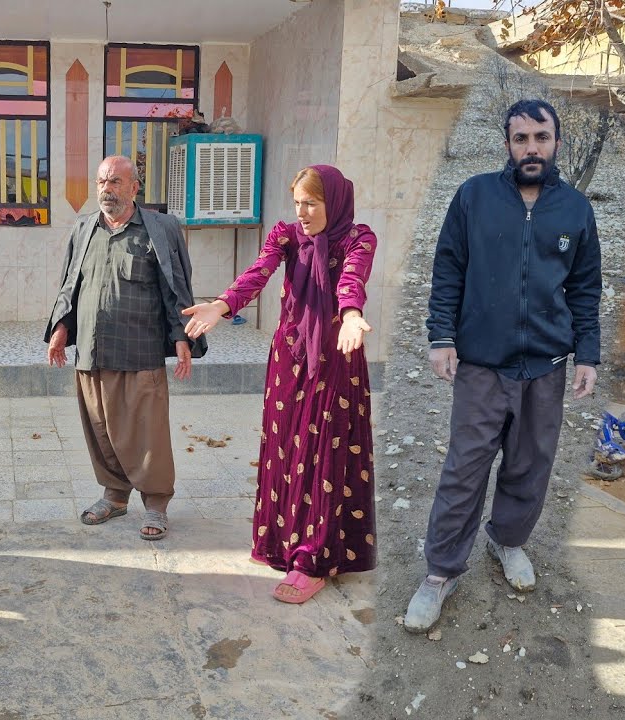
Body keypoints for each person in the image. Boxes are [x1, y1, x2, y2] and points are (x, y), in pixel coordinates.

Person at [405, 99, 601, 632]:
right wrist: (441, 336)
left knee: (530, 462)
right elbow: (448, 268)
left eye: (541, 137)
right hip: (482, 364)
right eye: (521, 139)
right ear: (507, 144)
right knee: (465, 467)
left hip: (546, 364)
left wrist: (587, 353)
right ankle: (440, 571)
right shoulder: (474, 196)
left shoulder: (575, 209)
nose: (531, 148)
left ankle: (508, 540)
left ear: (556, 141)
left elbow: (585, 288)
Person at [183, 165, 378, 604]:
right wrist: (222, 304)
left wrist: (350, 314)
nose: (302, 213)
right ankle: (281, 542)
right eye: (297, 203)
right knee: (285, 447)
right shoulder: (286, 236)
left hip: (336, 358)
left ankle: (313, 559)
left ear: (334, 202)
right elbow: (258, 272)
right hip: (289, 358)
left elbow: (352, 278)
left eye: (312, 203)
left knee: (324, 453)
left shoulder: (357, 238)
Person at [45, 155, 205, 541]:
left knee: (148, 430)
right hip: (92, 349)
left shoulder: (160, 229)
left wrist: (181, 337)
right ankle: (115, 495)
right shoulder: (84, 228)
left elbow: (175, 287)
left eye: (115, 181)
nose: (107, 189)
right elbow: (71, 285)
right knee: (99, 428)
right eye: (102, 181)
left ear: (135, 187)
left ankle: (156, 503)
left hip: (140, 349)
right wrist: (61, 327)